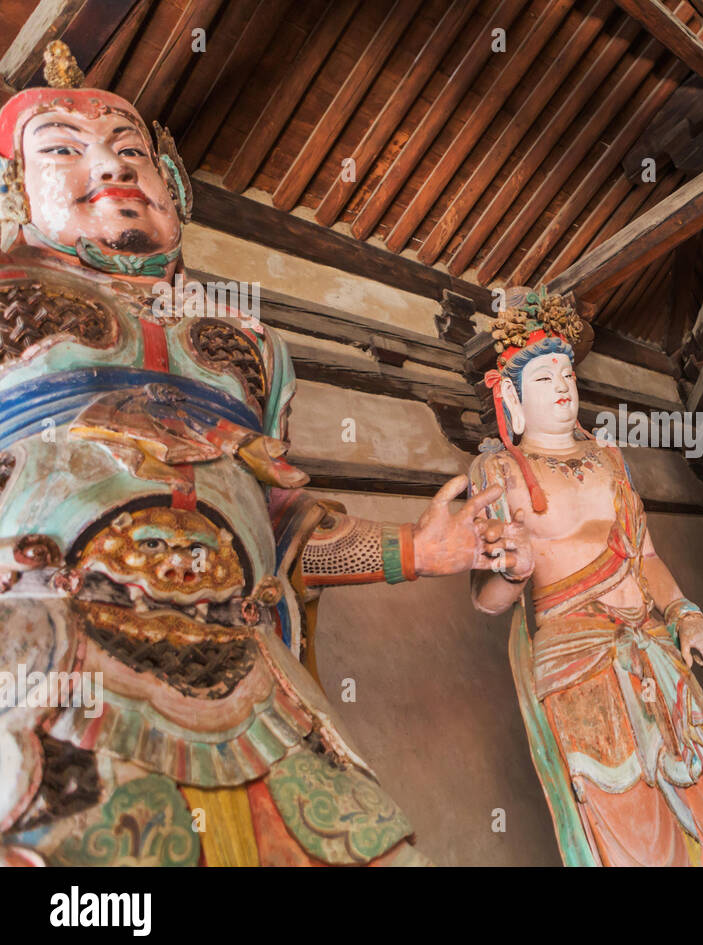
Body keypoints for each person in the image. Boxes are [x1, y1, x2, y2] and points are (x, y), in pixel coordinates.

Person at [0, 42, 518, 866]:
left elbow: (286, 531)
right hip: (50, 645)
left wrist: (420, 549)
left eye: (132, 150)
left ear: (173, 186)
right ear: (12, 187)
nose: (111, 166)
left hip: (250, 666)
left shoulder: (248, 343)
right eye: (62, 148)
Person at [469, 288, 703, 866]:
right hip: (578, 664)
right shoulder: (499, 468)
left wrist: (688, 617)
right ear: (515, 399)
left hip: (653, 646)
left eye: (567, 374)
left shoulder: (609, 458)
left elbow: (644, 554)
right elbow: (488, 603)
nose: (563, 386)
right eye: (544, 379)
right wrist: (515, 572)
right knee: (635, 833)